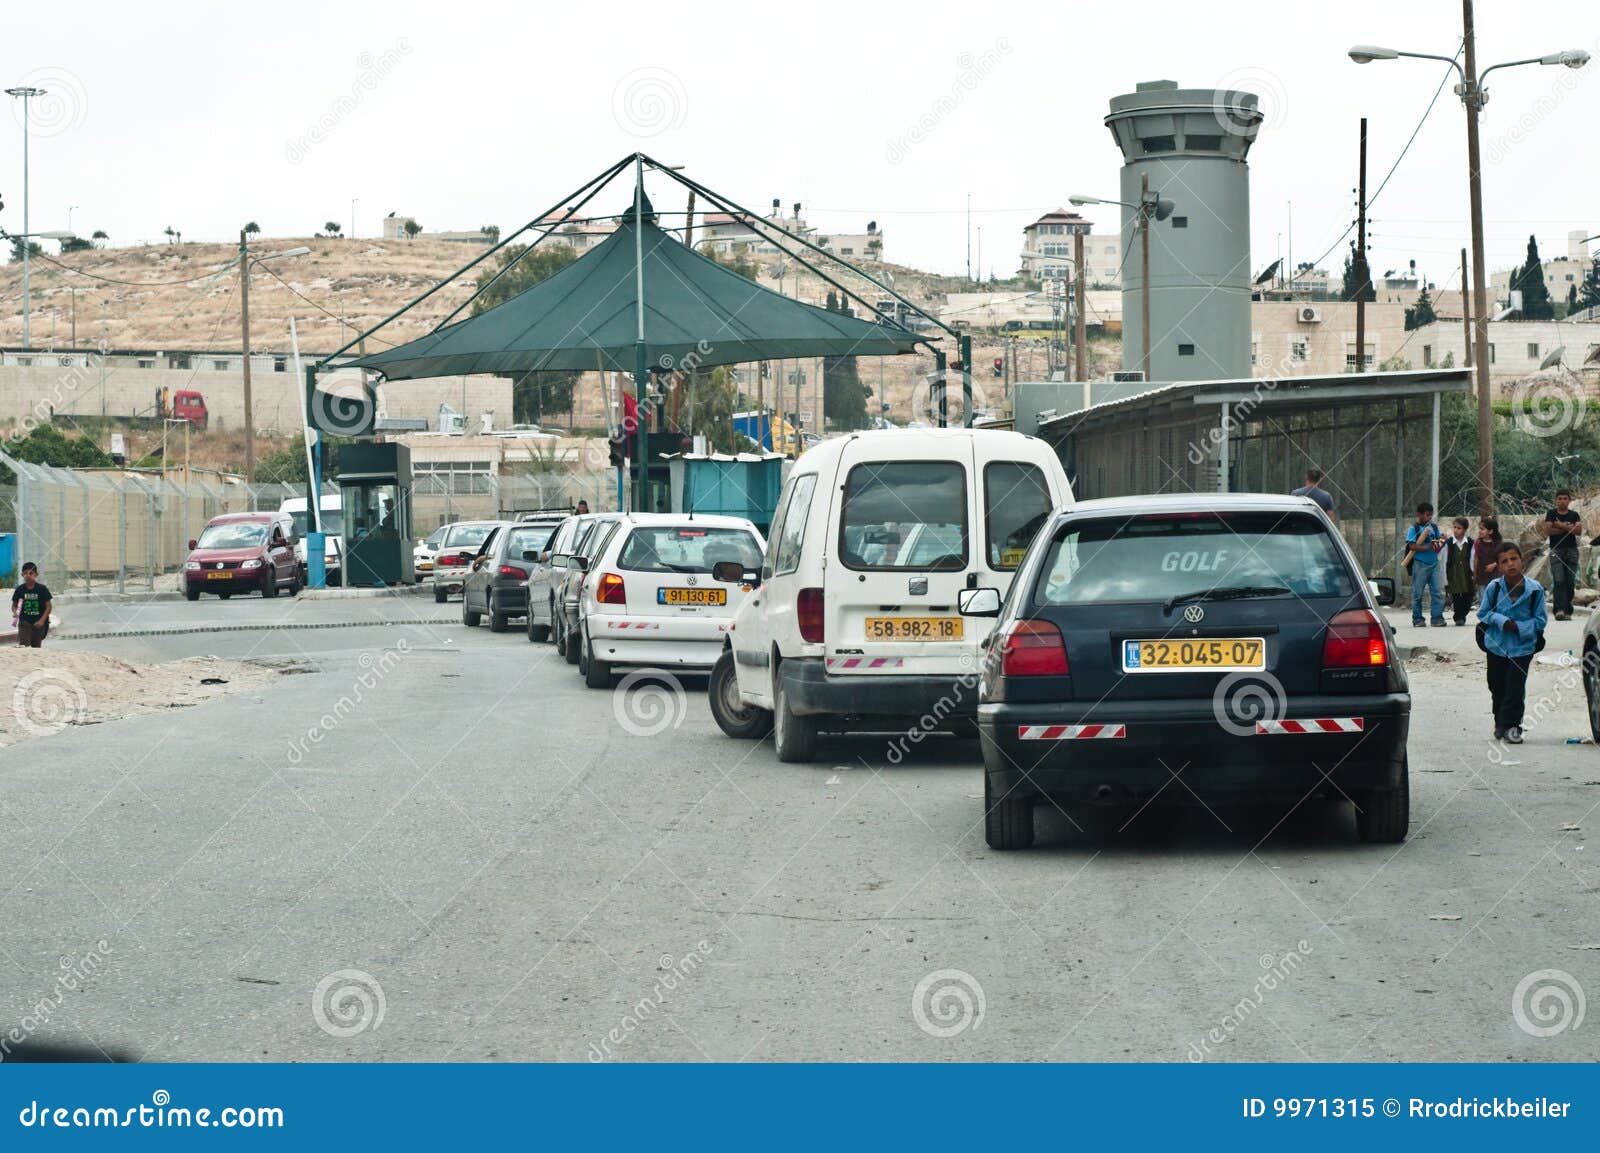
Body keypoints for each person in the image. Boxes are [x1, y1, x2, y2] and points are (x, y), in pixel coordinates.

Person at [1477, 542, 1547, 743]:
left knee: (1515, 688)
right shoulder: (1494, 588)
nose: (1510, 564)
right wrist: (1502, 621)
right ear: (1499, 566)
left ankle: (1513, 727)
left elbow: (1540, 620)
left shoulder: (1535, 590)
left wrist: (1519, 627)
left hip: (1523, 647)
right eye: (1505, 561)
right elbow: (1483, 613)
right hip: (1496, 646)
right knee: (1497, 686)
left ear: (1522, 561)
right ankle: (1500, 723)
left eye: (1514, 559)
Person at [1405, 502, 1446, 627]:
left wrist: (1442, 541)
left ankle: (1437, 618)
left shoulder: (1434, 527)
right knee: (1417, 593)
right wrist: (1427, 546)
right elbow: (1412, 546)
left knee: (1437, 592)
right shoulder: (1414, 529)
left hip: (1434, 564)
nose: (1429, 517)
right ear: (1419, 514)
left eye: (1430, 515)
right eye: (1427, 515)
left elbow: (1437, 546)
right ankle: (1418, 619)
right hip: (1420, 564)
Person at [1543, 489, 1581, 621]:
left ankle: (1567, 610)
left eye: (1565, 498)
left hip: (1571, 551)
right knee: (1559, 580)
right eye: (1559, 498)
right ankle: (1559, 610)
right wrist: (1568, 528)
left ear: (1569, 500)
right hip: (1556, 550)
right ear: (1555, 500)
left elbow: (1578, 530)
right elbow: (1547, 530)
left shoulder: (1574, 515)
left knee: (1570, 581)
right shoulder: (1551, 514)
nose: (1562, 501)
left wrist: (1559, 525)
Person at [11, 562, 52, 648]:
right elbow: (14, 605)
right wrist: (15, 612)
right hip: (24, 622)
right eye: (25, 573)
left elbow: (49, 606)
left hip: (38, 623)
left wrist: (42, 621)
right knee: (24, 646)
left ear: (36, 574)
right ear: (22, 575)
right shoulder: (20, 589)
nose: (28, 575)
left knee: (36, 647)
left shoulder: (42, 589)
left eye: (31, 573)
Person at [1444, 516, 1475, 626]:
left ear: (1465, 530)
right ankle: (1458, 617)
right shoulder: (1448, 543)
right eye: (1455, 527)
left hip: (1467, 574)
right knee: (1456, 595)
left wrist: (1474, 573)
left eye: (1459, 528)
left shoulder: (1470, 543)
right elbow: (1444, 559)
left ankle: (1463, 614)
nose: (1456, 530)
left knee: (1468, 596)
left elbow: (1473, 558)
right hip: (1454, 574)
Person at [1472, 516, 1503, 589]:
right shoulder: (1478, 543)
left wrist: (1494, 565)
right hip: (1481, 577)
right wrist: (1474, 576)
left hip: (1495, 576)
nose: (1479, 531)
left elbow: (1502, 557)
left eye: (1482, 529)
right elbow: (1476, 559)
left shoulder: (1498, 543)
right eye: (1479, 529)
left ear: (1490, 531)